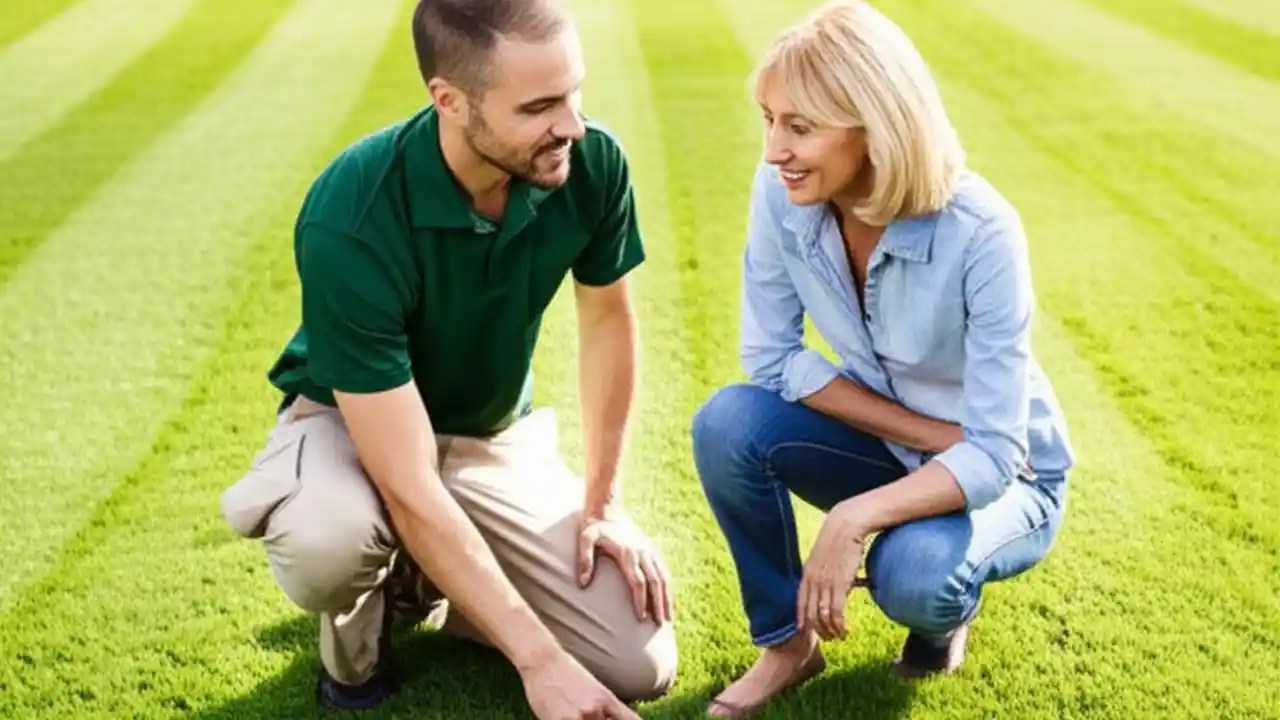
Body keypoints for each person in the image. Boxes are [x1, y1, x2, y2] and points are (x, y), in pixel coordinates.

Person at [218, 1, 677, 717]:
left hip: (489, 435)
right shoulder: (353, 210)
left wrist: (604, 503)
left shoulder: (591, 163)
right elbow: (403, 475)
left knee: (639, 661)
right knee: (327, 544)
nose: (573, 125)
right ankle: (357, 658)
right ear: (449, 100)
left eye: (574, 91)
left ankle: (435, 581)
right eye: (540, 106)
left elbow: (609, 323)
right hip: (350, 426)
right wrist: (542, 663)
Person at [690, 1, 1075, 716]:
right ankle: (787, 646)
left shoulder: (982, 233)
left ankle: (941, 620)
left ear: (874, 127)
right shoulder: (782, 193)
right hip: (910, 442)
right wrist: (924, 435)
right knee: (727, 423)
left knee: (916, 579)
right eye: (769, 120)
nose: (774, 149)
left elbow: (994, 454)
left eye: (799, 127)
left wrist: (851, 519)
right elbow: (772, 357)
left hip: (1010, 474)